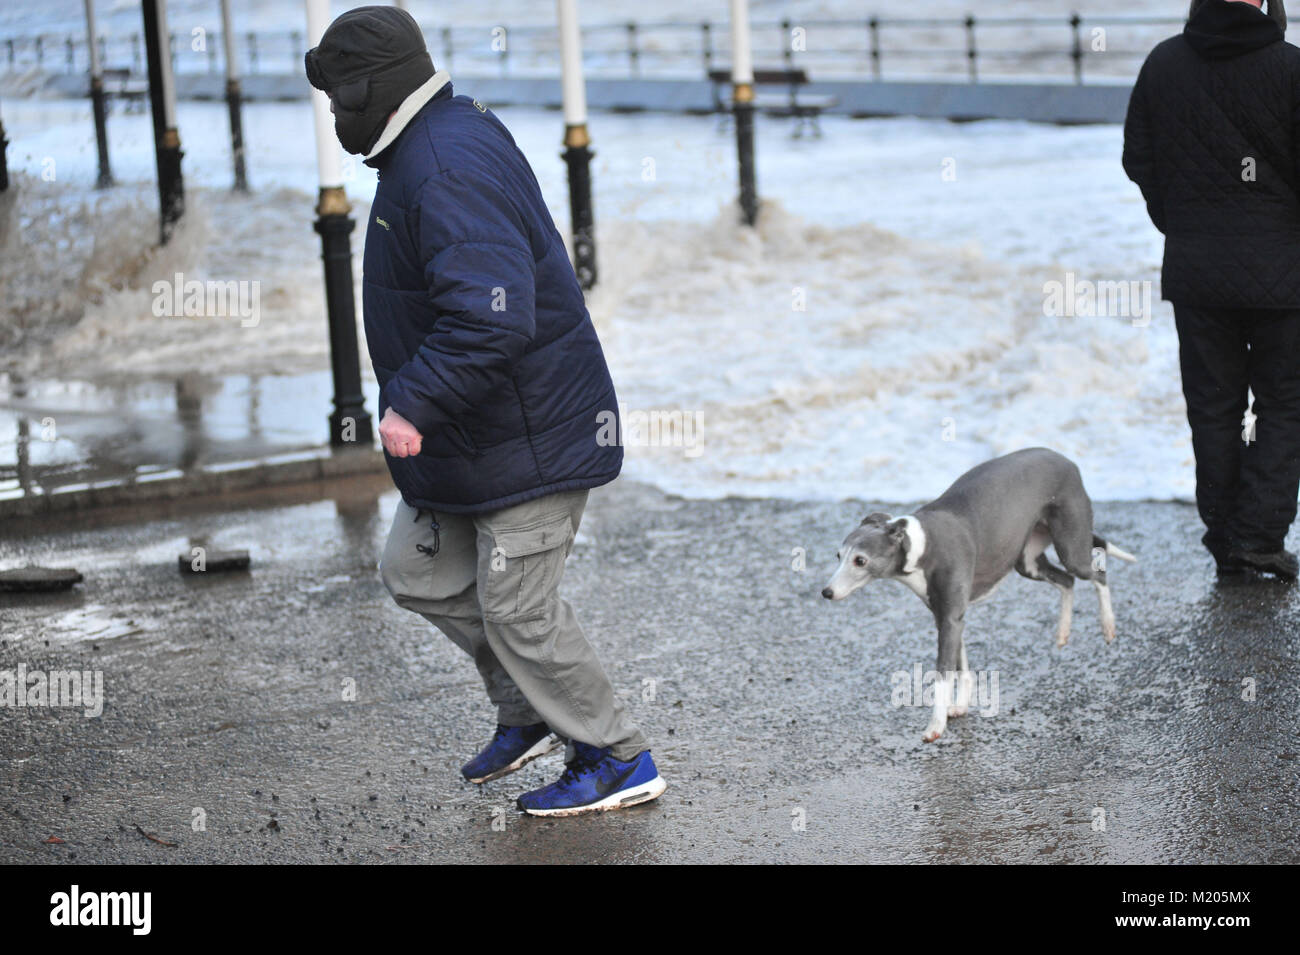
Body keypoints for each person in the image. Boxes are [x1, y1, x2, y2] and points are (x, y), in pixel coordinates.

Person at [304, 5, 666, 814]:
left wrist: (413, 404)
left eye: (338, 100)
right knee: (418, 572)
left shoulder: (444, 164)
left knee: (518, 607)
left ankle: (616, 754)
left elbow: (492, 315)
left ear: (371, 89)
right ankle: (534, 708)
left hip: (526, 433)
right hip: (478, 435)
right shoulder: (436, 135)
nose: (334, 117)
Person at [1123, 0, 1300, 580]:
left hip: (1198, 273)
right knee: (1285, 406)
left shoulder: (1164, 63)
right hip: (1285, 276)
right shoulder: (1291, 68)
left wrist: (1182, 222)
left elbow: (1138, 159)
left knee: (1214, 409)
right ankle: (1257, 538)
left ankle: (1228, 540)